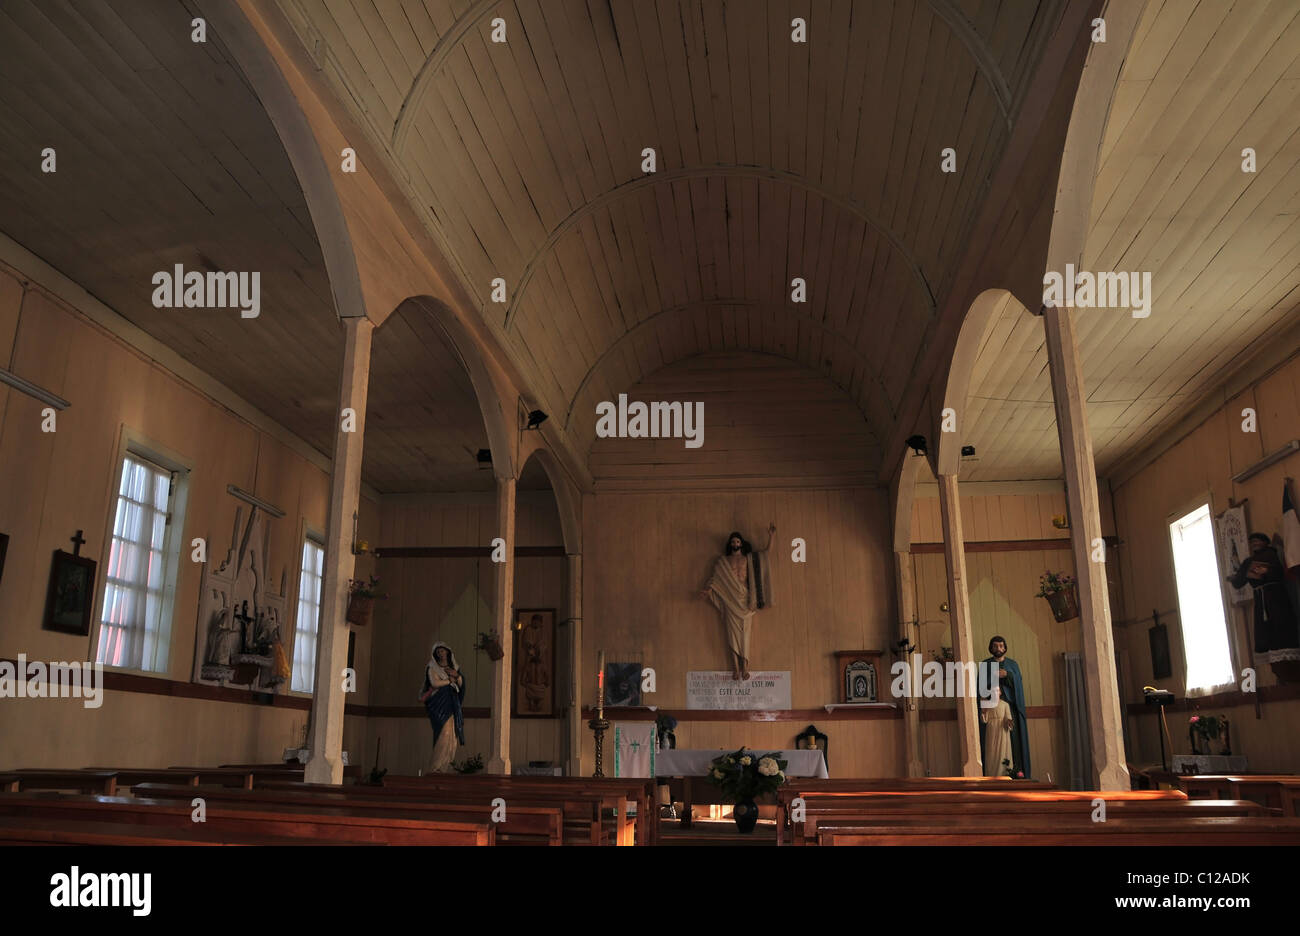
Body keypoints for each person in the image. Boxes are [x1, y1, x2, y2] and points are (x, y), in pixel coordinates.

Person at [698, 524, 776, 680]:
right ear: (730, 544)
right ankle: (735, 668)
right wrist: (707, 590)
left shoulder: (749, 559)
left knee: (745, 635)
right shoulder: (723, 561)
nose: (735, 544)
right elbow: (714, 580)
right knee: (731, 635)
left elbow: (766, 554)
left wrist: (771, 537)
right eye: (733, 542)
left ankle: (745, 667)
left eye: (737, 542)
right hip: (730, 600)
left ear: (741, 543)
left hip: (745, 600)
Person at [1228, 532, 1300, 654]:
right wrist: (1234, 579)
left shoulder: (1272, 554)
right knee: (1265, 630)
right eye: (1252, 542)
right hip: (1261, 599)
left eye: (1257, 540)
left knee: (1281, 625)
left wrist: (1257, 570)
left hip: (1276, 596)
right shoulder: (1249, 561)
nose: (1254, 543)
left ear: (1265, 542)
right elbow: (1239, 581)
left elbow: (1275, 572)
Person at [979, 635, 1030, 778]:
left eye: (1001, 646)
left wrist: (1008, 675)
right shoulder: (985, 665)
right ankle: (991, 775)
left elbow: (1018, 685)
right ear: (991, 648)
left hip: (1009, 711)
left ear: (1005, 648)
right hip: (991, 711)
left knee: (1012, 743)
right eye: (995, 646)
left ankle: (1015, 773)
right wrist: (994, 678)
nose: (998, 649)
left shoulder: (1013, 665)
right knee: (992, 748)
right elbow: (981, 688)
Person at [420, 641, 465, 773]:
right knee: (443, 733)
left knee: (452, 735)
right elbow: (434, 682)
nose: (441, 653)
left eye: (443, 650)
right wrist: (449, 681)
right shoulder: (432, 667)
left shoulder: (454, 667)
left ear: (447, 652)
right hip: (439, 704)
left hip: (452, 703)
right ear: (435, 654)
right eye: (438, 651)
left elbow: (461, 684)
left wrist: (457, 676)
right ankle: (436, 767)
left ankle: (446, 766)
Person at [981, 685, 1014, 778]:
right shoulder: (988, 705)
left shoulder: (1005, 704)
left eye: (997, 690)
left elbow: (1008, 718)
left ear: (1000, 693)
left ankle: (1004, 774)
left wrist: (1008, 722)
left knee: (1002, 751)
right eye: (993, 691)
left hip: (1002, 730)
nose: (995, 692)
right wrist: (983, 712)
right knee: (991, 753)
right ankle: (991, 775)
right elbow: (985, 720)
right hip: (991, 731)